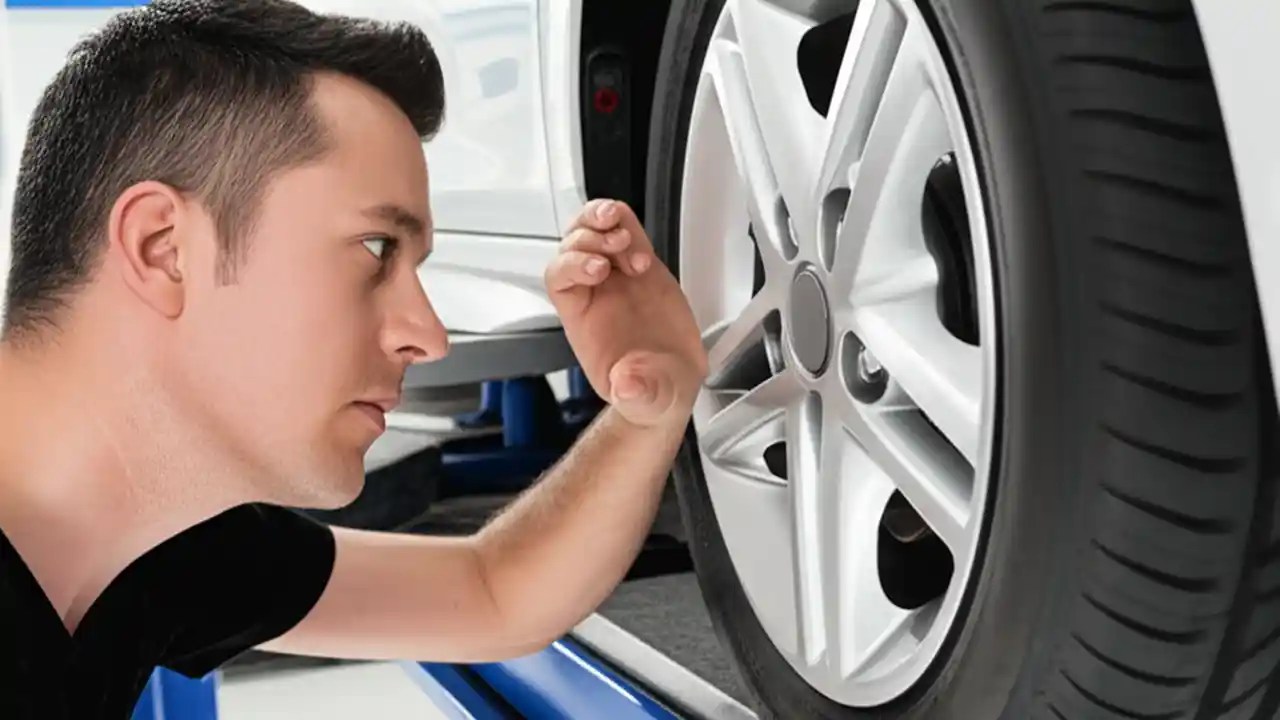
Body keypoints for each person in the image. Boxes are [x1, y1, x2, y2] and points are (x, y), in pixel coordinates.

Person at [0, 1, 707, 717]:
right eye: (375, 250)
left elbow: (492, 593)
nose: (429, 337)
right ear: (165, 249)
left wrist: (650, 403)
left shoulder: (154, 551)